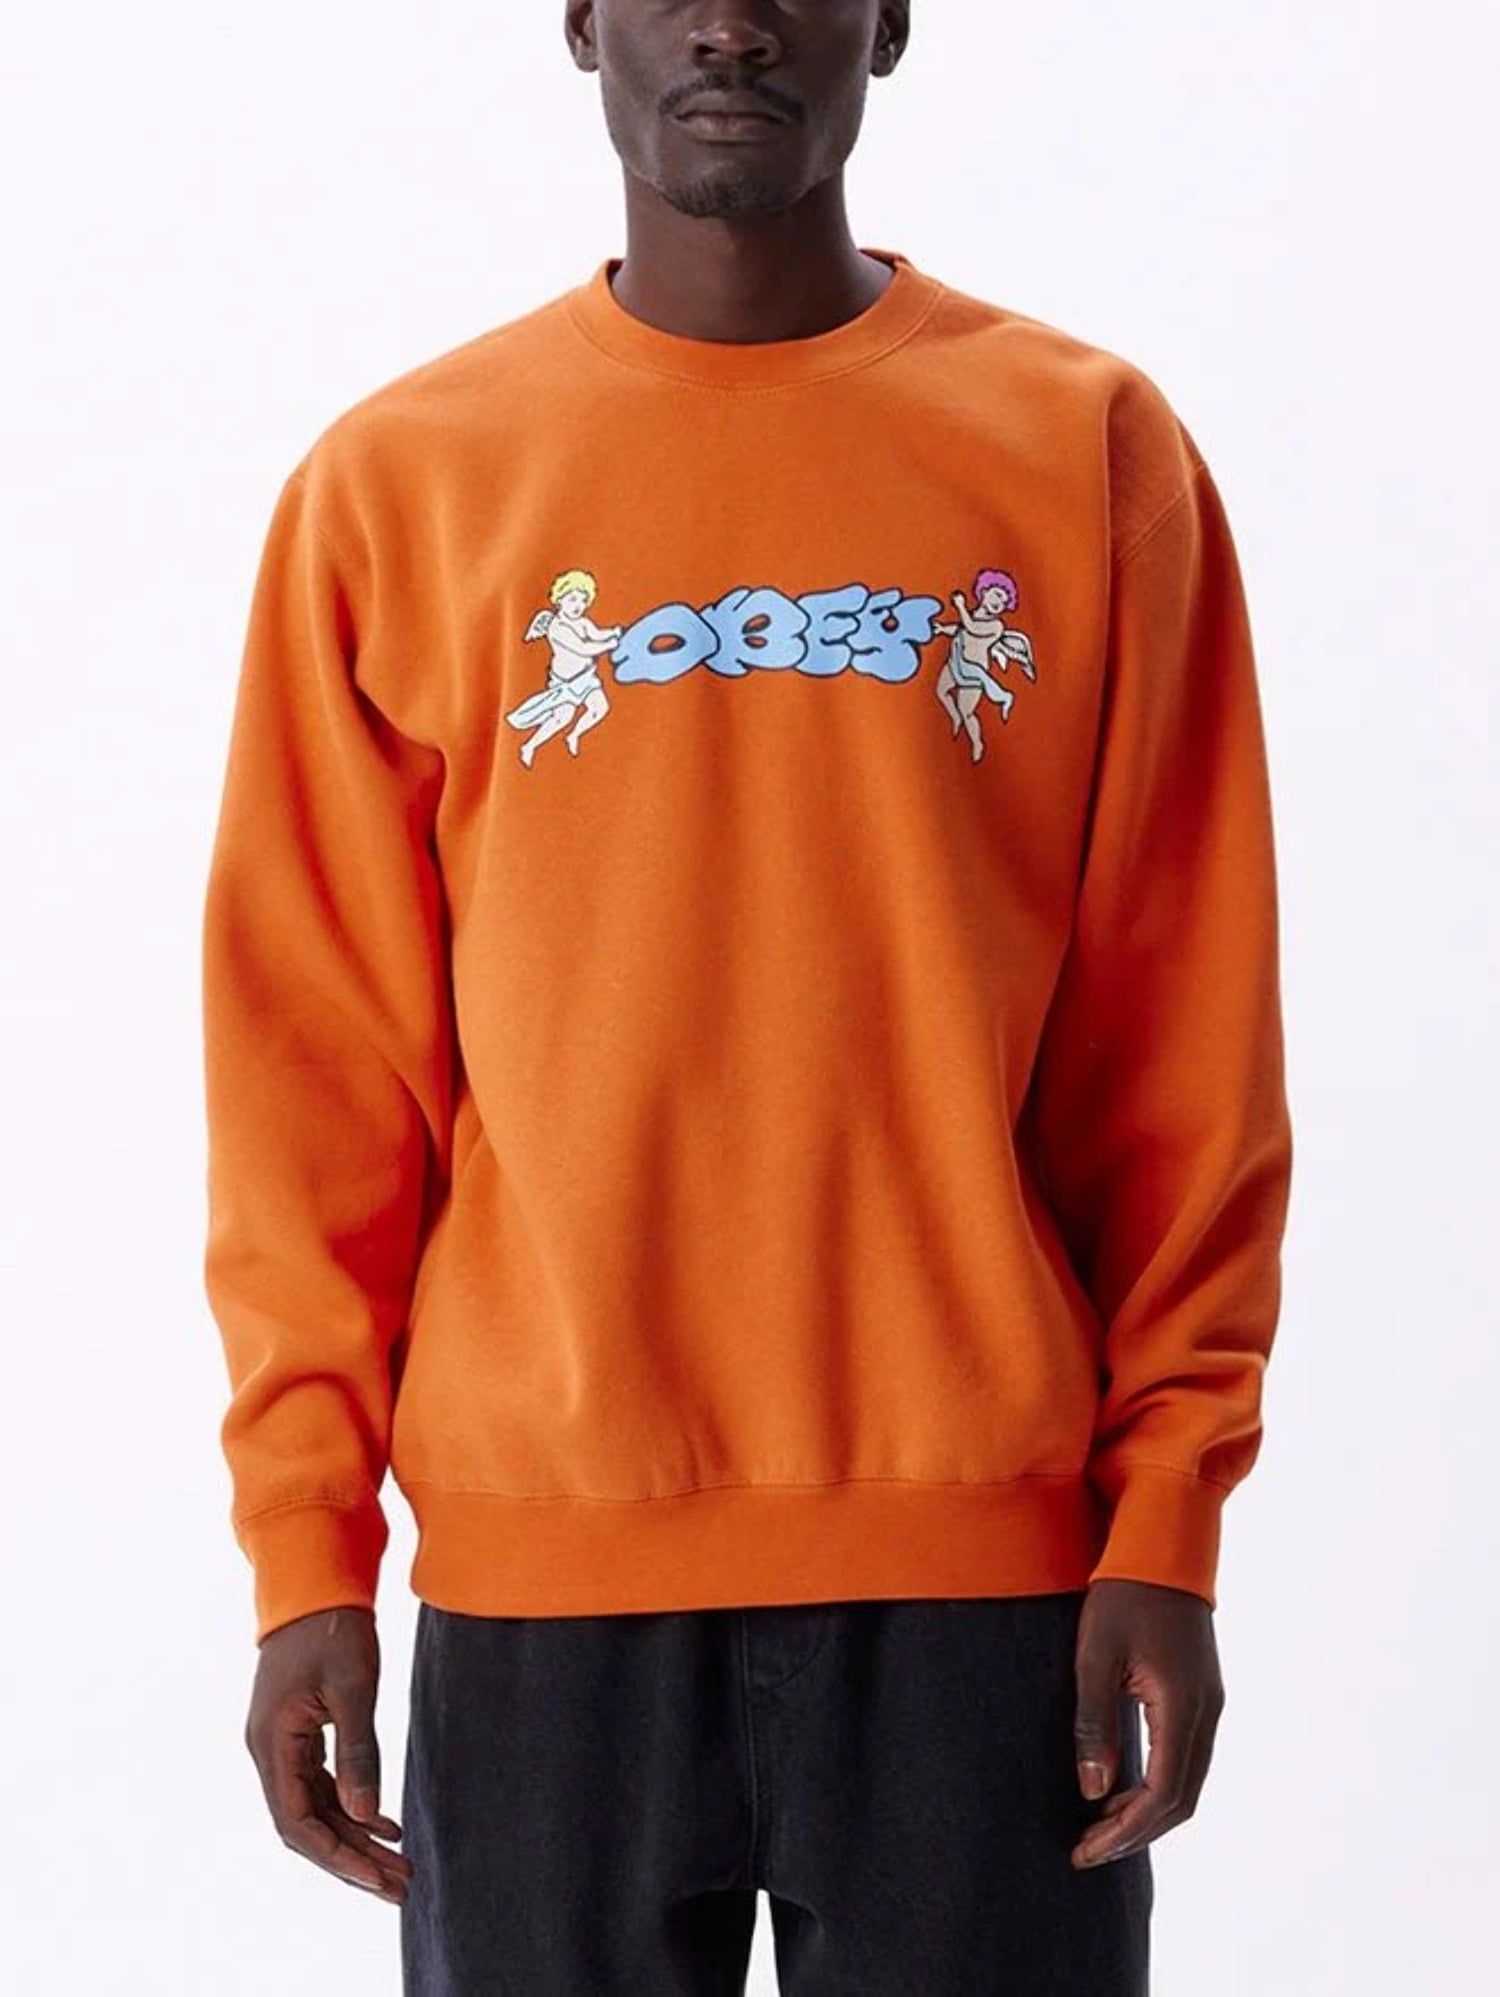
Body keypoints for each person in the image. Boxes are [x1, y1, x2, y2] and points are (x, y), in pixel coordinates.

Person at [201, 4, 1293, 1990]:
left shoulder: (1082, 449)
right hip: (543, 1571)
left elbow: (1183, 1042)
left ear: (890, 23)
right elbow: (317, 1080)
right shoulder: (402, 485)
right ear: (579, 23)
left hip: (990, 1580)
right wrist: (306, 1552)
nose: (729, 18)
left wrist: (1167, 1517)